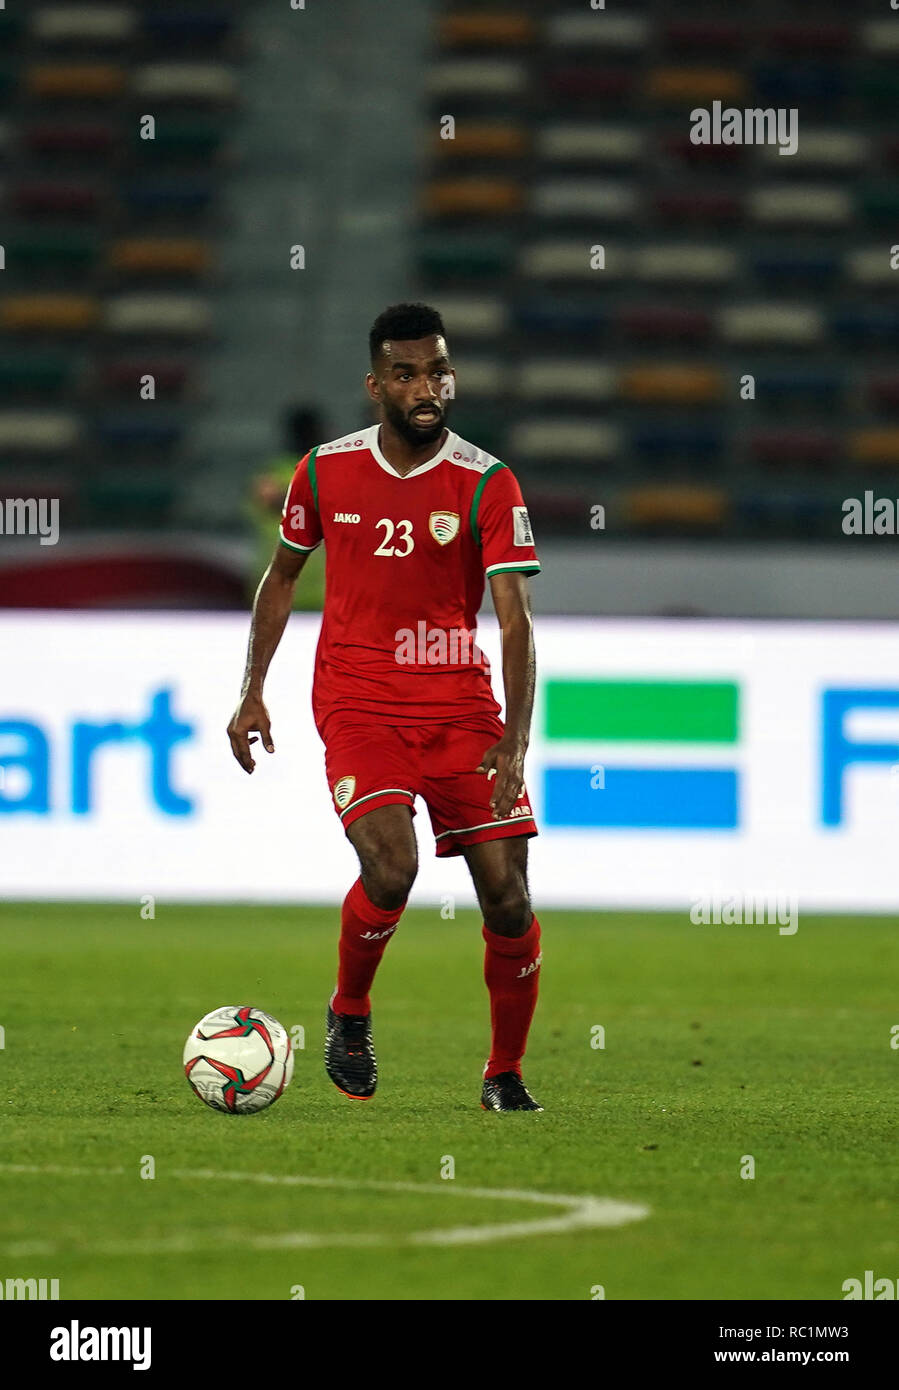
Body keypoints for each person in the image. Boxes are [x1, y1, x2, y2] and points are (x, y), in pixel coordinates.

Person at [227, 303, 544, 1111]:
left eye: (437, 370)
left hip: (459, 704)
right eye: (406, 373)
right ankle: (350, 1012)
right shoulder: (323, 471)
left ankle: (503, 1074)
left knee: (507, 894)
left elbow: (513, 619)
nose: (425, 386)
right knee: (391, 864)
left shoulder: (486, 481)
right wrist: (252, 689)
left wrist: (513, 739)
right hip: (359, 697)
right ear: (376, 386)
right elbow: (282, 577)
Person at [247, 406, 327, 610]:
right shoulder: (278, 471)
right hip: (288, 585)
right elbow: (269, 500)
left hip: (294, 587)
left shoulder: (273, 472)